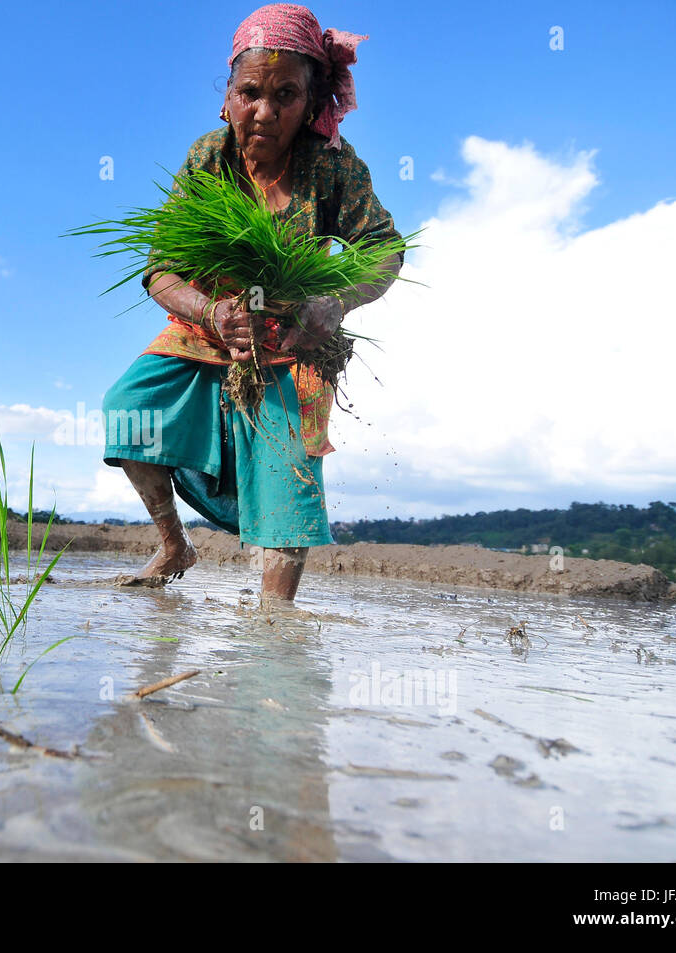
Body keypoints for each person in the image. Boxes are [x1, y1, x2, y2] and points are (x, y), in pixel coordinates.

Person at [102, 3, 404, 604]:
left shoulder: (332, 165)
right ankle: (172, 542)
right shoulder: (208, 159)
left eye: (286, 95)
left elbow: (385, 249)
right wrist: (210, 312)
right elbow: (161, 268)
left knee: (285, 471)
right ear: (227, 98)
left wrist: (333, 303)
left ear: (312, 103)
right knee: (127, 409)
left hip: (293, 338)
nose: (264, 112)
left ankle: (274, 625)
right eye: (250, 93)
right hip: (211, 326)